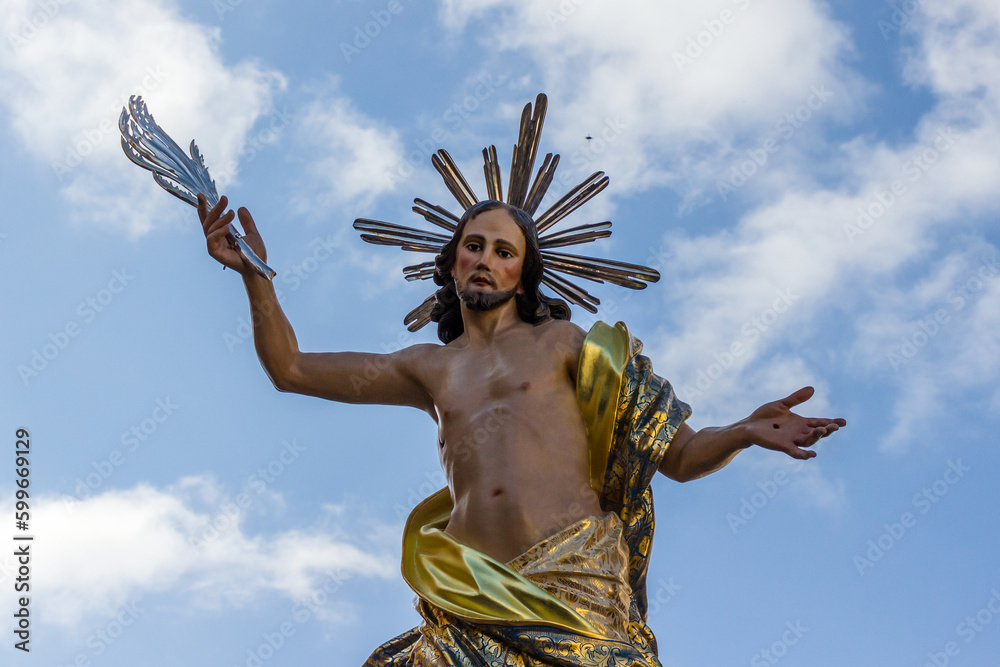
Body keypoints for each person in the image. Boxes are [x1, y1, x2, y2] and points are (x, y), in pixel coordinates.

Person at [198, 194, 846, 666]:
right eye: (473, 245)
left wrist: (741, 431)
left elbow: (674, 454)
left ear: (523, 272)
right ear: (452, 261)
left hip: (576, 592)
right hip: (468, 601)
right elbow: (290, 368)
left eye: (504, 251)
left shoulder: (568, 344)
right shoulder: (428, 367)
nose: (485, 259)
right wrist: (255, 273)